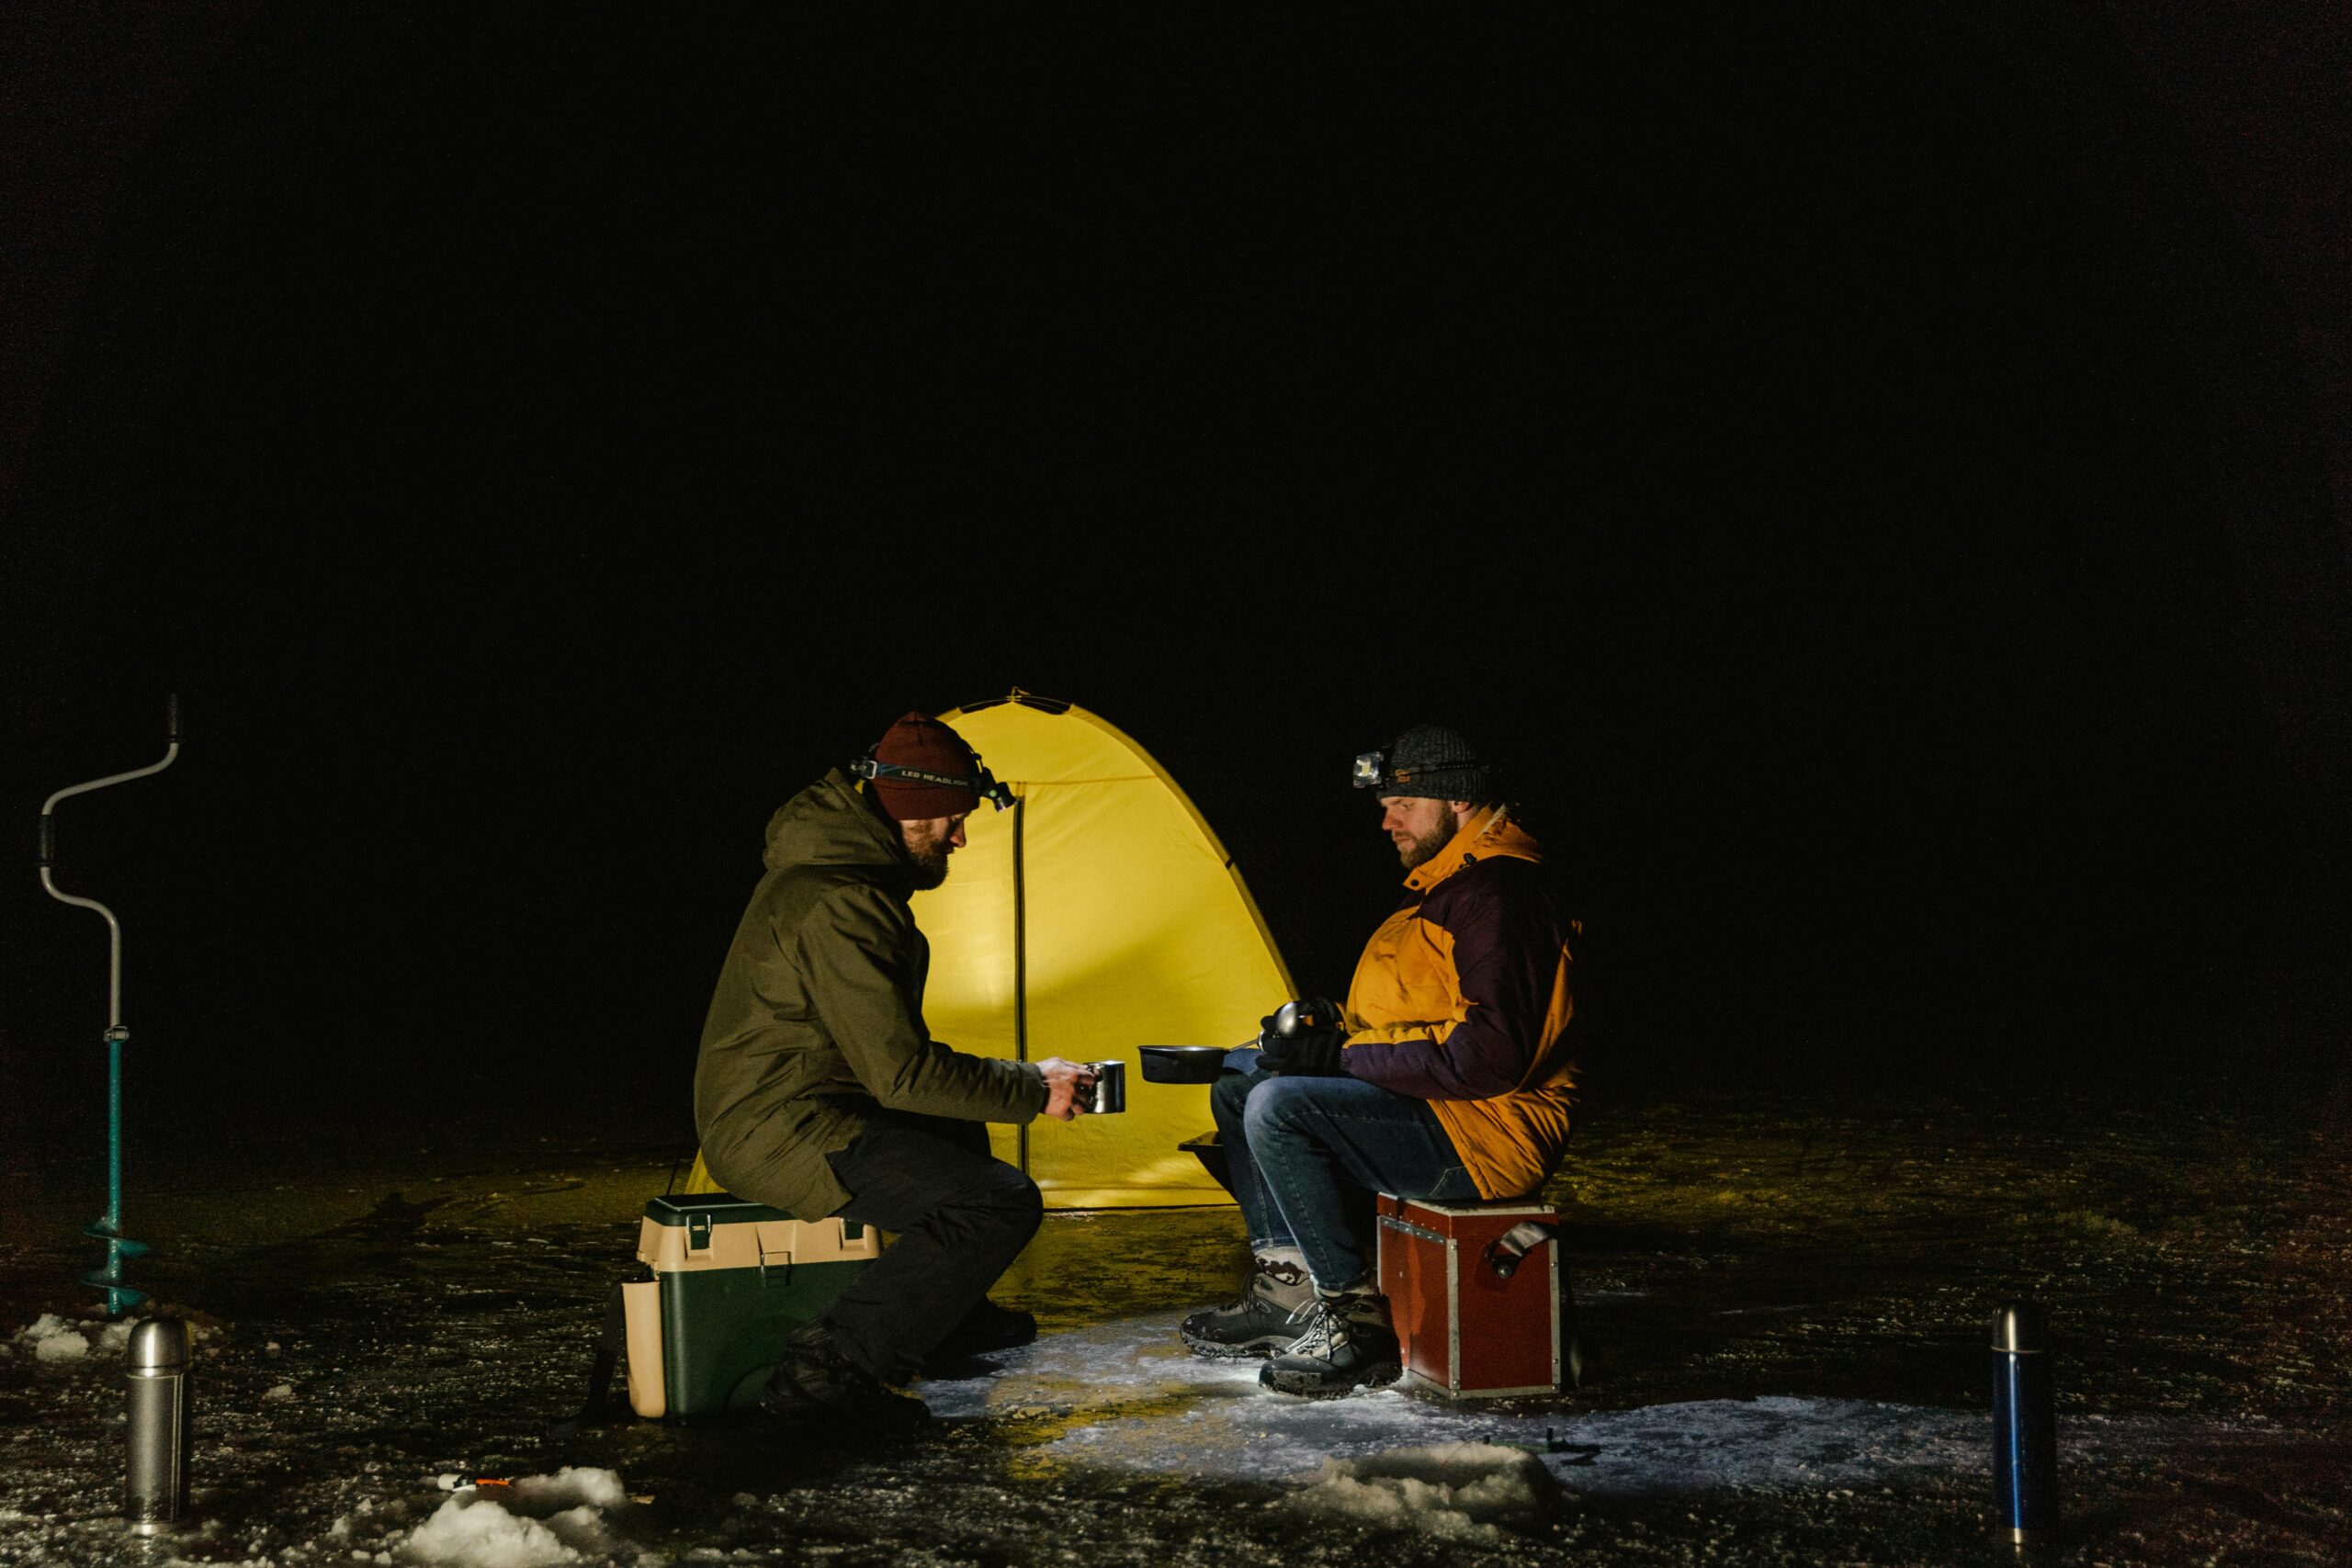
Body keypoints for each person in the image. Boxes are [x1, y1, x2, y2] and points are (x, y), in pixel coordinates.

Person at [693, 711, 1098, 1430]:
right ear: (906, 812)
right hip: (779, 1126)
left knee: (959, 1124)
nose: (961, 837)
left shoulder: (844, 876)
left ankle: (944, 1321)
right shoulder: (840, 900)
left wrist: (1010, 1087)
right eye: (950, 819)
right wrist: (1035, 1086)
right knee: (998, 1202)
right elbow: (901, 1075)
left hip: (804, 1101)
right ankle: (830, 1368)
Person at [1181, 724, 1578, 1396]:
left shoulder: (1499, 896)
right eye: (1384, 805)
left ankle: (1356, 1321)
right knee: (1242, 1078)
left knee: (1280, 1106)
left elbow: (1492, 1055)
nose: (1387, 820)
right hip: (1436, 1105)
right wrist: (1329, 1025)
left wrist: (1337, 1053)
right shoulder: (1446, 883)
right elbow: (1423, 1011)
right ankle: (1289, 1289)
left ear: (1456, 800)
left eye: (1403, 803)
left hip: (1485, 1133)